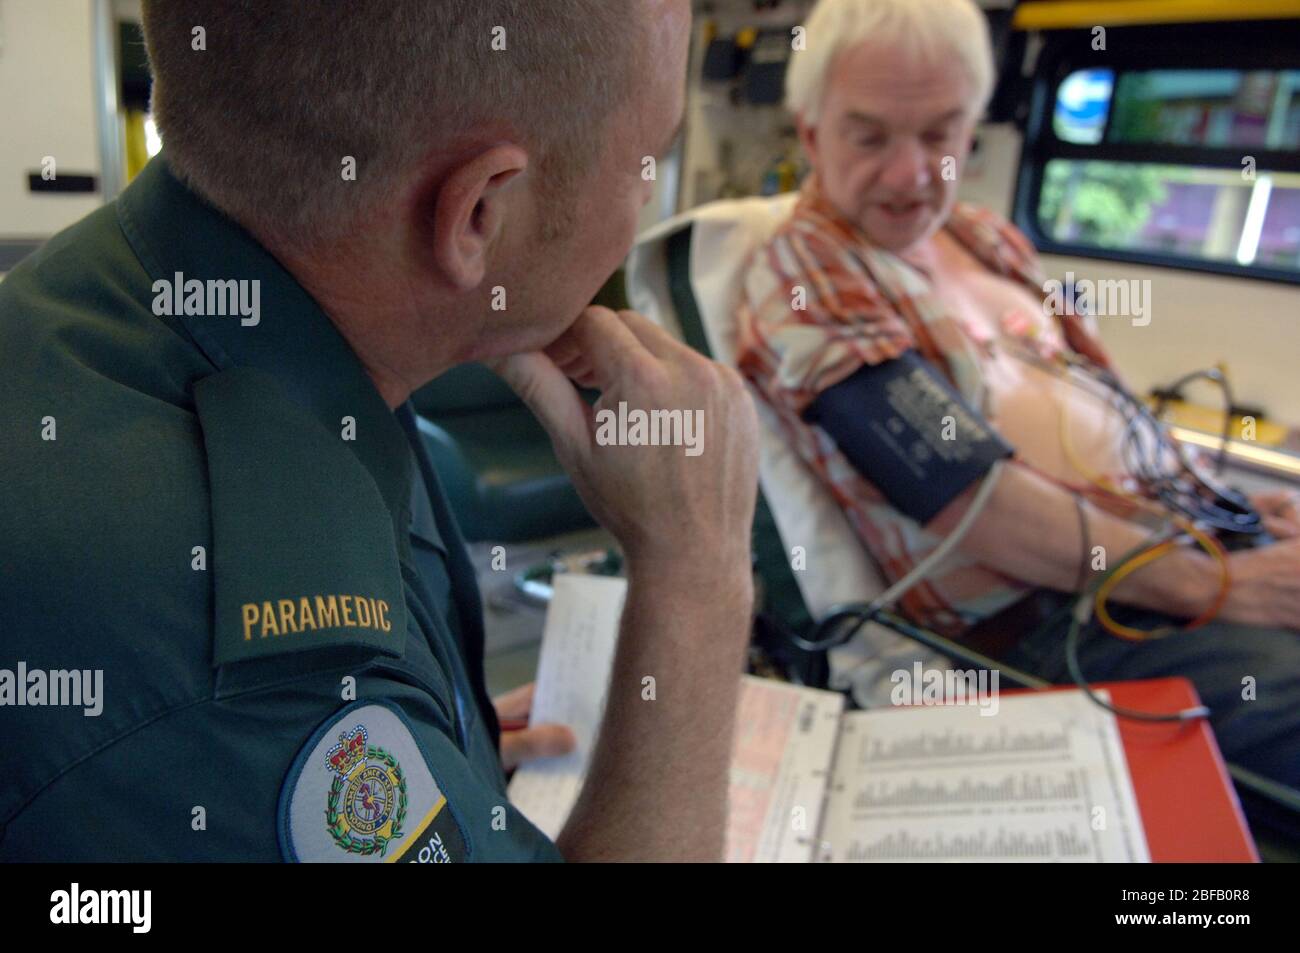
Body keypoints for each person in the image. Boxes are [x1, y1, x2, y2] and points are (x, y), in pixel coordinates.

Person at [0, 0, 759, 861]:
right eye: (647, 160)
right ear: (477, 212)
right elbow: (240, 723)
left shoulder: (175, 293)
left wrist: (441, 741)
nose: (647, 194)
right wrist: (698, 570)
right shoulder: (247, 668)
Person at [736, 0, 1300, 790]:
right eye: (869, 137)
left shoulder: (988, 237)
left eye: (939, 135)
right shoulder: (807, 274)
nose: (909, 175)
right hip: (1061, 623)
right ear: (810, 134)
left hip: (1173, 549)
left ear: (971, 131)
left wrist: (1223, 508)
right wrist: (1218, 586)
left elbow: (1110, 405)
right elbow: (964, 488)